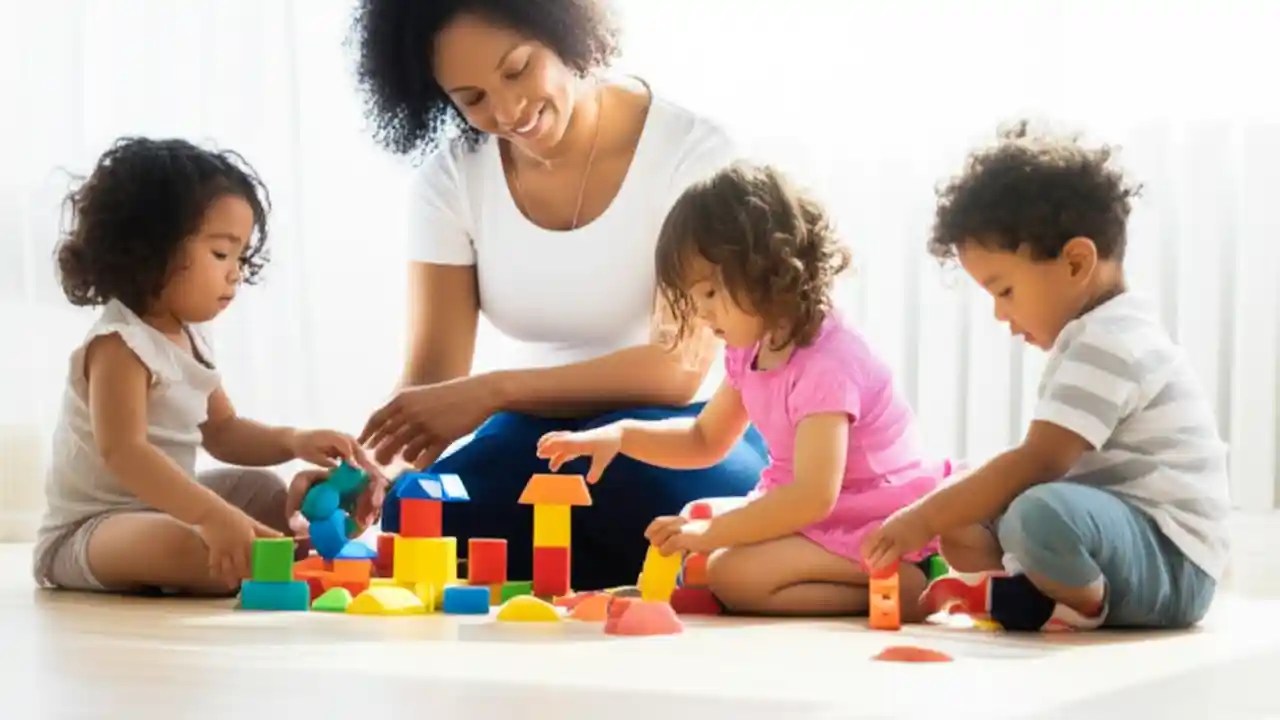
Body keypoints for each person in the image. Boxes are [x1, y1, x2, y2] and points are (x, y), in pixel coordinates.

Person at [350, 0, 766, 589]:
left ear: (564, 31)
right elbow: (432, 379)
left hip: (688, 430)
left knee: (656, 492)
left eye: (517, 70)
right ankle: (607, 574)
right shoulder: (452, 180)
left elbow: (676, 369)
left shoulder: (692, 153)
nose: (507, 111)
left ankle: (592, 568)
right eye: (472, 99)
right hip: (538, 438)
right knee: (421, 505)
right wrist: (363, 470)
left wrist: (497, 391)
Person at [861, 121, 1229, 631]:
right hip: (1115, 538)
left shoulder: (1110, 340)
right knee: (966, 518)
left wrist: (922, 518)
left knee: (1033, 513)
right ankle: (1026, 590)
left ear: (1076, 262)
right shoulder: (1096, 334)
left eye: (1005, 291)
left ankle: (1058, 606)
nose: (999, 314)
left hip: (1170, 562)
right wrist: (947, 511)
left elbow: (1039, 460)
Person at [537, 163, 949, 617]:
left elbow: (815, 495)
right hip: (813, 510)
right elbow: (704, 439)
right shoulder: (751, 348)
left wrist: (714, 536)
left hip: (870, 519)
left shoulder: (827, 362)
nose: (701, 312)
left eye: (710, 293)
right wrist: (621, 436)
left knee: (734, 573)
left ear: (765, 269)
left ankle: (899, 586)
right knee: (694, 518)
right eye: (694, 297)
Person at [33, 137, 371, 596]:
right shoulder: (120, 344)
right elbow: (124, 452)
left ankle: (287, 550)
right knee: (194, 543)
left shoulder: (190, 336)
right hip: (92, 530)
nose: (235, 273)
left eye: (240, 257)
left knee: (262, 490)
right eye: (220, 254)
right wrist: (212, 515)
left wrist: (292, 440)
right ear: (151, 248)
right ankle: (256, 558)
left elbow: (224, 430)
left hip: (163, 510)